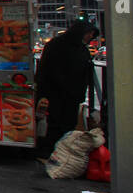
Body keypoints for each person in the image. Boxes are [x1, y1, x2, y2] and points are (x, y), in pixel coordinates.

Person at [35, 20, 99, 154]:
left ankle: (58, 153)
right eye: (89, 34)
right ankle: (52, 152)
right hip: (56, 95)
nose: (89, 37)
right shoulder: (58, 46)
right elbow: (48, 71)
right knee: (55, 125)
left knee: (66, 125)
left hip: (70, 96)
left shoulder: (80, 48)